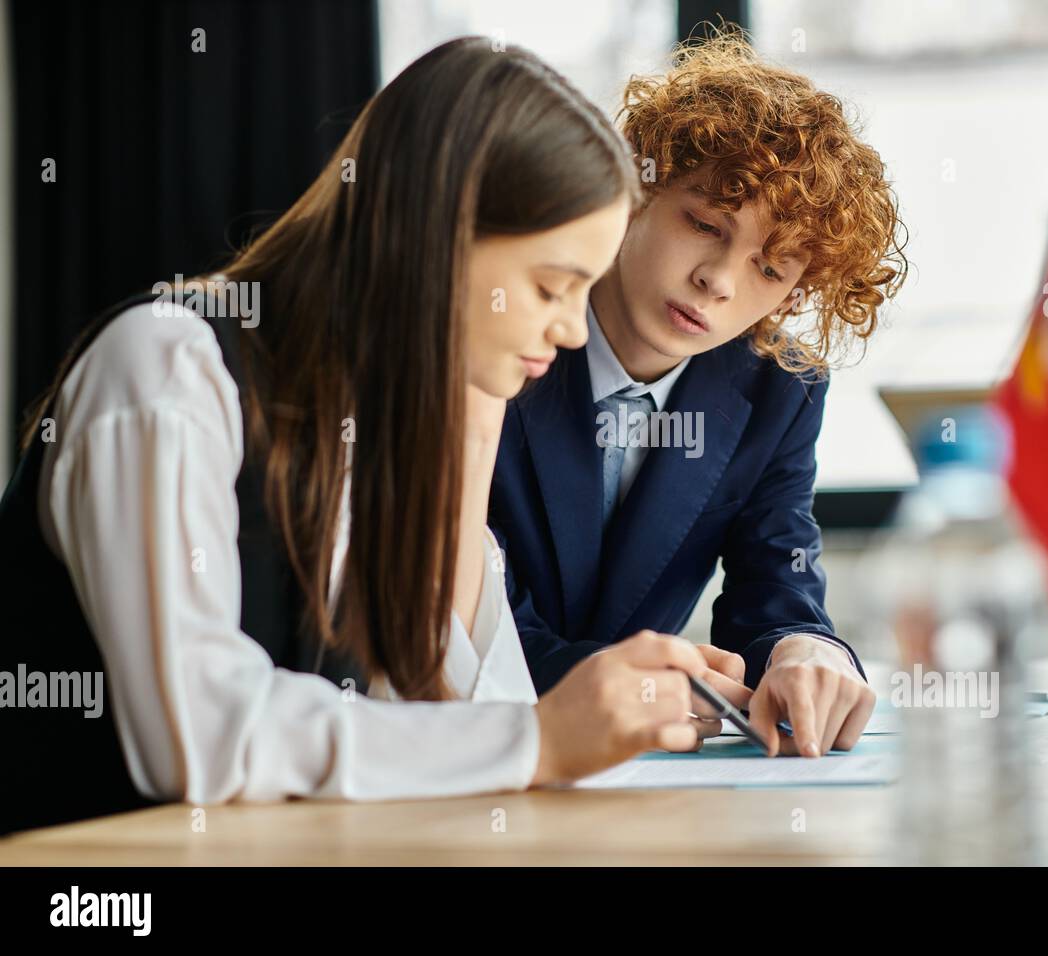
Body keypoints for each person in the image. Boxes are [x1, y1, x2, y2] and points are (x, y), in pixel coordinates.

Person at [0, 37, 711, 836]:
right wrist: (538, 741)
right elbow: (201, 741)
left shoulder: (373, 426)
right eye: (551, 286)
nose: (574, 330)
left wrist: (472, 446)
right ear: (438, 235)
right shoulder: (167, 370)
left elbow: (459, 719)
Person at [489, 34, 908, 757]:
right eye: (706, 225)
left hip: (631, 785)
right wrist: (619, 685)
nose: (719, 279)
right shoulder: (507, 328)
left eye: (771, 269)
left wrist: (806, 651)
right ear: (635, 190)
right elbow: (457, 618)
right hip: (472, 741)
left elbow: (775, 582)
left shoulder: (783, 390)